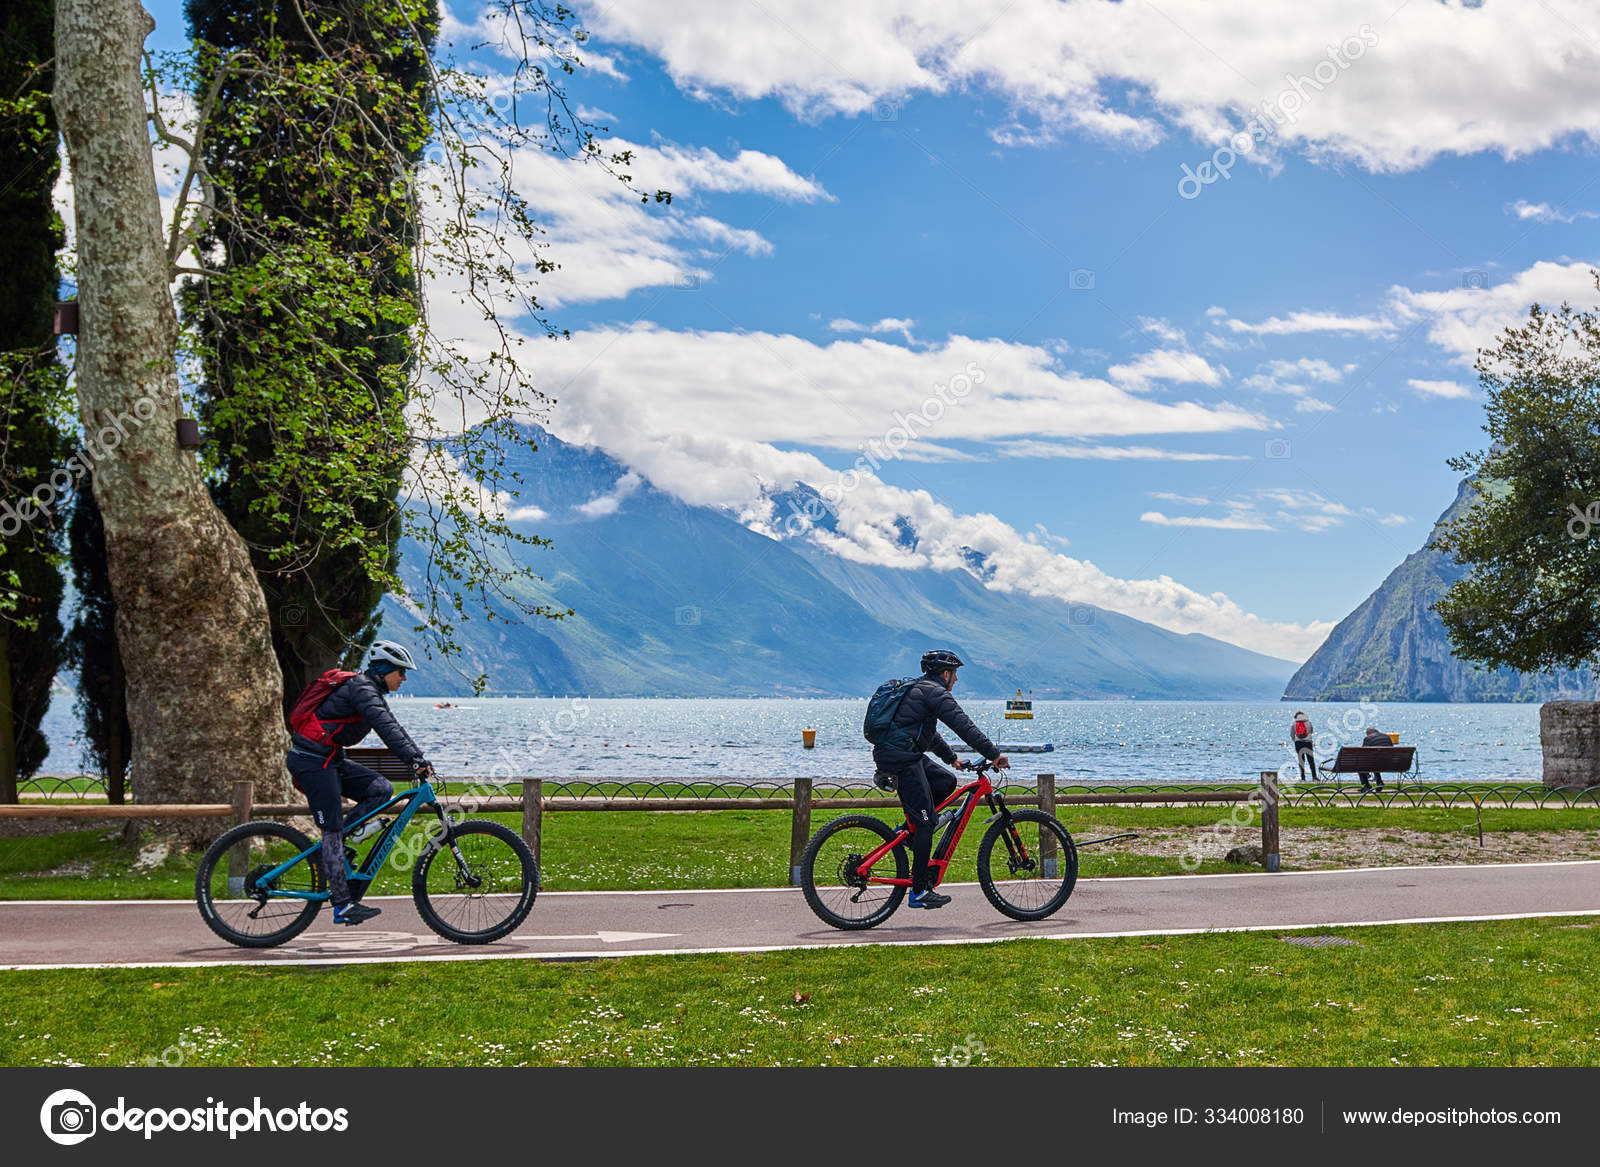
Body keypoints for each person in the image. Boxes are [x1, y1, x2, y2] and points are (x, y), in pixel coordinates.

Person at [286, 640, 435, 927]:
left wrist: (417, 757)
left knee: (381, 789)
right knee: (330, 828)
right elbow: (385, 728)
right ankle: (342, 905)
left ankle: (339, 844)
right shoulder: (363, 689)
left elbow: (393, 726)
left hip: (329, 758)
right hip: (312, 762)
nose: (403, 679)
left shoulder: (369, 690)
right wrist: (414, 760)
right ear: (385, 670)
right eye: (401, 673)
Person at [871, 649, 1009, 910]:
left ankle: (908, 832)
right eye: (955, 675)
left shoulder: (919, 690)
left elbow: (925, 733)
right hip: (903, 760)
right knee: (926, 822)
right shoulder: (935, 693)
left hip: (900, 755)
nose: (956, 680)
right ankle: (920, 890)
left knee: (946, 781)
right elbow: (963, 725)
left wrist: (951, 759)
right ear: (945, 674)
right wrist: (994, 755)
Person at [1359, 726, 1391, 791]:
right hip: (1389, 764)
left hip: (1374, 764)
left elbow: (1363, 753)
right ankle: (1379, 782)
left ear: (1369, 733)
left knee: (1359, 764)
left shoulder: (1368, 739)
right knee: (1375, 761)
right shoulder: (1387, 737)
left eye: (1367, 734)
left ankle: (1366, 785)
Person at [1291, 711, 1316, 782]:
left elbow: (1292, 734)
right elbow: (1311, 731)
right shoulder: (1308, 722)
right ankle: (1314, 776)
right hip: (1308, 742)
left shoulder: (1294, 723)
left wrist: (1295, 740)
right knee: (1311, 760)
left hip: (1298, 743)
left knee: (1301, 760)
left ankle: (1303, 777)